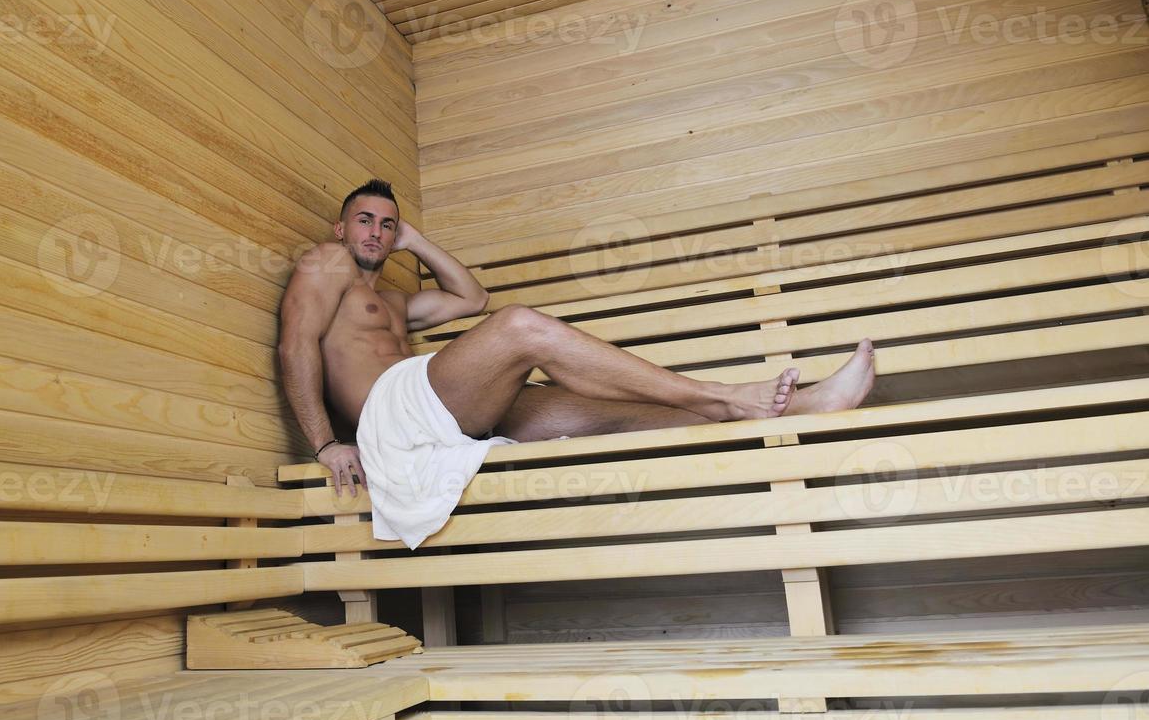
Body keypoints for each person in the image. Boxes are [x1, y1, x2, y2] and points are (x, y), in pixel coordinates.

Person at [277, 179, 876, 500]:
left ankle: (807, 405)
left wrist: (416, 240)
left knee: (617, 415)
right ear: (340, 227)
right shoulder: (326, 263)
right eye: (366, 220)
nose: (377, 232)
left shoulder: (395, 302)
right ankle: (725, 395)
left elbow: (470, 298)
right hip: (393, 417)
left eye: (387, 223)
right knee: (519, 327)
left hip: (444, 414)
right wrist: (326, 443)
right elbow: (295, 347)